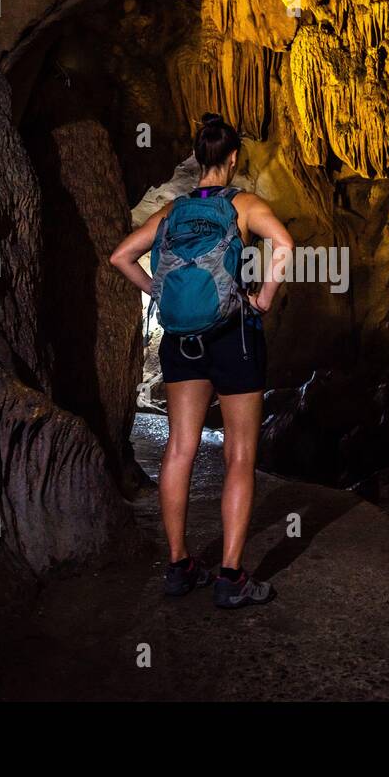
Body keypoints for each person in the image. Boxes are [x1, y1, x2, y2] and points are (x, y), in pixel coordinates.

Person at [109, 114, 293, 609]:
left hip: (181, 341)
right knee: (239, 456)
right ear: (232, 160)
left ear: (198, 160)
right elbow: (286, 245)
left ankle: (179, 565)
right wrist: (265, 298)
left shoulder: (171, 213)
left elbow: (120, 257)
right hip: (235, 335)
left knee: (178, 451)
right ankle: (230, 576)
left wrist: (158, 291)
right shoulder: (244, 205)